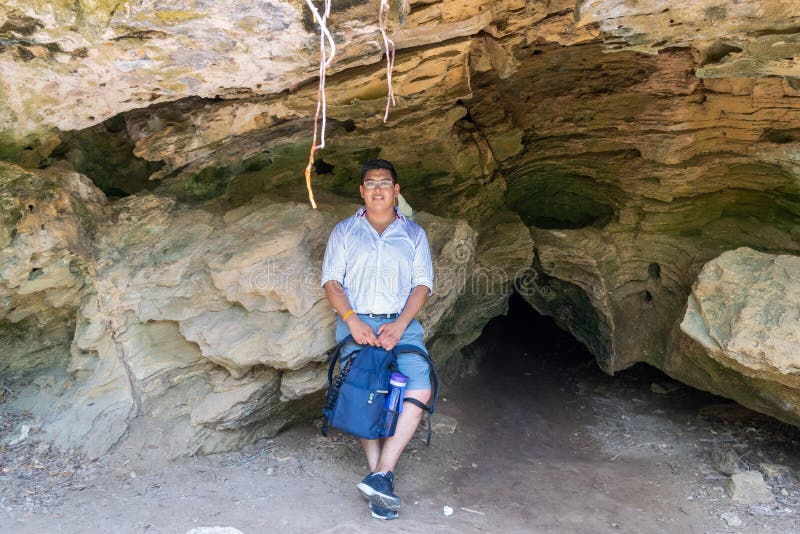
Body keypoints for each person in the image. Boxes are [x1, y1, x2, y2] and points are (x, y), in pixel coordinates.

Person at [321, 158, 435, 520]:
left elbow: (422, 285)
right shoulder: (343, 232)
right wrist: (353, 321)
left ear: (396, 190)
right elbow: (332, 283)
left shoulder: (414, 234)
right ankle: (381, 479)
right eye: (370, 183)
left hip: (402, 324)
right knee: (362, 387)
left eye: (384, 183)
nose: (377, 189)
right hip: (359, 323)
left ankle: (381, 472)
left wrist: (401, 324)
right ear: (361, 191)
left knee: (420, 387)